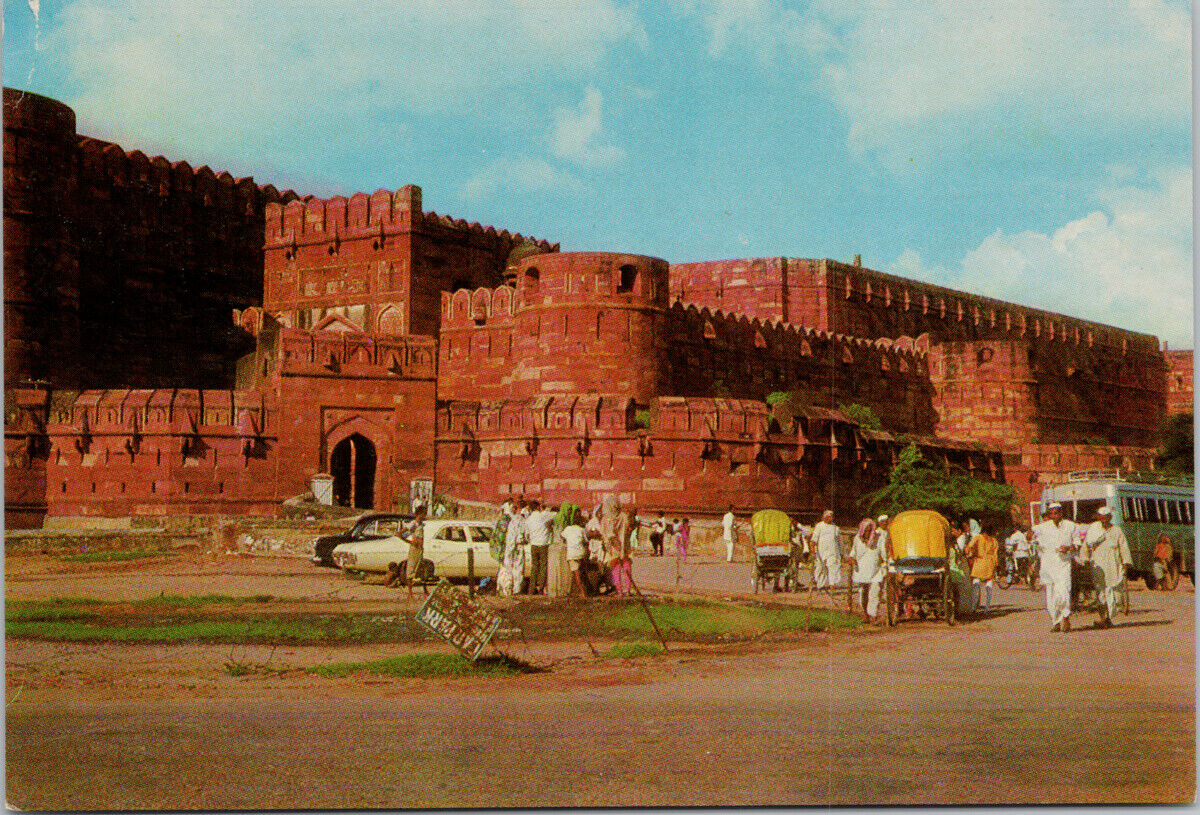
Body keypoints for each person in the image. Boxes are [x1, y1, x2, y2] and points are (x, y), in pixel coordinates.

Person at [1033, 502, 1079, 632]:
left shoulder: (1071, 526)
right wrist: (1030, 536)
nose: (1054, 516)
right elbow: (1031, 536)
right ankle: (1056, 621)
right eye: (1051, 513)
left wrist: (1069, 548)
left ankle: (1065, 617)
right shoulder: (1043, 527)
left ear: (1061, 513)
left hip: (1063, 564)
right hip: (1048, 565)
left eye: (1056, 513)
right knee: (1051, 596)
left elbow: (1077, 543)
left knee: (1063, 590)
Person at [1085, 506, 1132, 628]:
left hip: (1114, 565)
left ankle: (1109, 618)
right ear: (1098, 517)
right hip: (1099, 565)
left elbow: (1124, 547)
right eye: (1102, 517)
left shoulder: (1117, 530)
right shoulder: (1094, 529)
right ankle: (1103, 618)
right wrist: (1085, 560)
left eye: (1107, 517)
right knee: (1100, 592)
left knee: (1115, 592)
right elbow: (1086, 545)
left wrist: (1126, 562)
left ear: (1110, 517)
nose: (1104, 519)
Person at [848, 518, 885, 623]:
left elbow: (884, 554)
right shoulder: (857, 539)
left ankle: (873, 614)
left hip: (876, 571)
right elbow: (853, 553)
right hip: (861, 570)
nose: (868, 533)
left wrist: (886, 563)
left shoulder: (879, 539)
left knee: (875, 592)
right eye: (866, 531)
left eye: (870, 531)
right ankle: (864, 613)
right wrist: (851, 559)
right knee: (863, 593)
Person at [967, 523, 999, 614]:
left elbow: (969, 546)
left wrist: (970, 554)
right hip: (990, 563)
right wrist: (995, 566)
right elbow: (995, 555)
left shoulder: (978, 537)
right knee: (989, 586)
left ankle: (973, 607)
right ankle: (987, 608)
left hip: (979, 562)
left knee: (975, 585)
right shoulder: (994, 541)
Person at [525, 499, 555, 595]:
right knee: (543, 567)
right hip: (543, 544)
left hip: (533, 545)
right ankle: (541, 588)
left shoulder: (528, 519)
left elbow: (527, 534)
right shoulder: (543, 515)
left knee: (534, 568)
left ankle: (531, 588)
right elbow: (555, 514)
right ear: (538, 507)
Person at [811, 510, 842, 590]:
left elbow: (838, 541)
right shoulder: (819, 526)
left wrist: (840, 552)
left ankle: (832, 585)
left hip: (833, 552)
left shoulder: (836, 528)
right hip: (821, 552)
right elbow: (814, 538)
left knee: (833, 567)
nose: (831, 518)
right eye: (829, 516)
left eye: (832, 516)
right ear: (825, 517)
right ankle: (820, 586)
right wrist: (812, 549)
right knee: (821, 568)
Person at [562, 509, 588, 597]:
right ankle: (582, 590)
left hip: (572, 554)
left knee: (577, 574)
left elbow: (562, 537)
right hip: (581, 552)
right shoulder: (581, 529)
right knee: (581, 573)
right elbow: (585, 540)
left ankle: (582, 592)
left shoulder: (567, 529)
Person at [405, 504, 428, 598]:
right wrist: (410, 542)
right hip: (414, 549)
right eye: (424, 514)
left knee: (421, 570)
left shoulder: (421, 524)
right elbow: (400, 534)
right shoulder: (413, 524)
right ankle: (410, 592)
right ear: (420, 514)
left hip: (420, 549)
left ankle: (425, 590)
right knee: (411, 570)